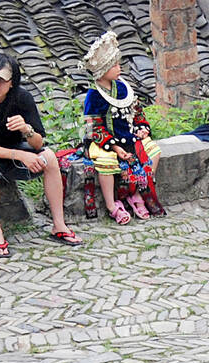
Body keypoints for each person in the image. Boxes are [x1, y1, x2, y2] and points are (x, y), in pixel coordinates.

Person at [0, 52, 80, 258]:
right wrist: (20, 155)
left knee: (49, 156)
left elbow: (39, 141)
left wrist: (26, 129)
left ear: (11, 83)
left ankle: (59, 225)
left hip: (11, 152)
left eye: (1, 80)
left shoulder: (22, 99)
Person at [81, 30, 165, 224]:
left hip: (128, 135)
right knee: (106, 163)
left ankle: (136, 191)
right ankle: (111, 205)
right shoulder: (94, 95)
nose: (119, 68)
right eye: (115, 65)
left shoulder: (124, 87)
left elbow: (137, 111)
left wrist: (142, 127)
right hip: (103, 141)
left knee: (153, 151)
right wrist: (116, 148)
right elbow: (93, 128)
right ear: (103, 70)